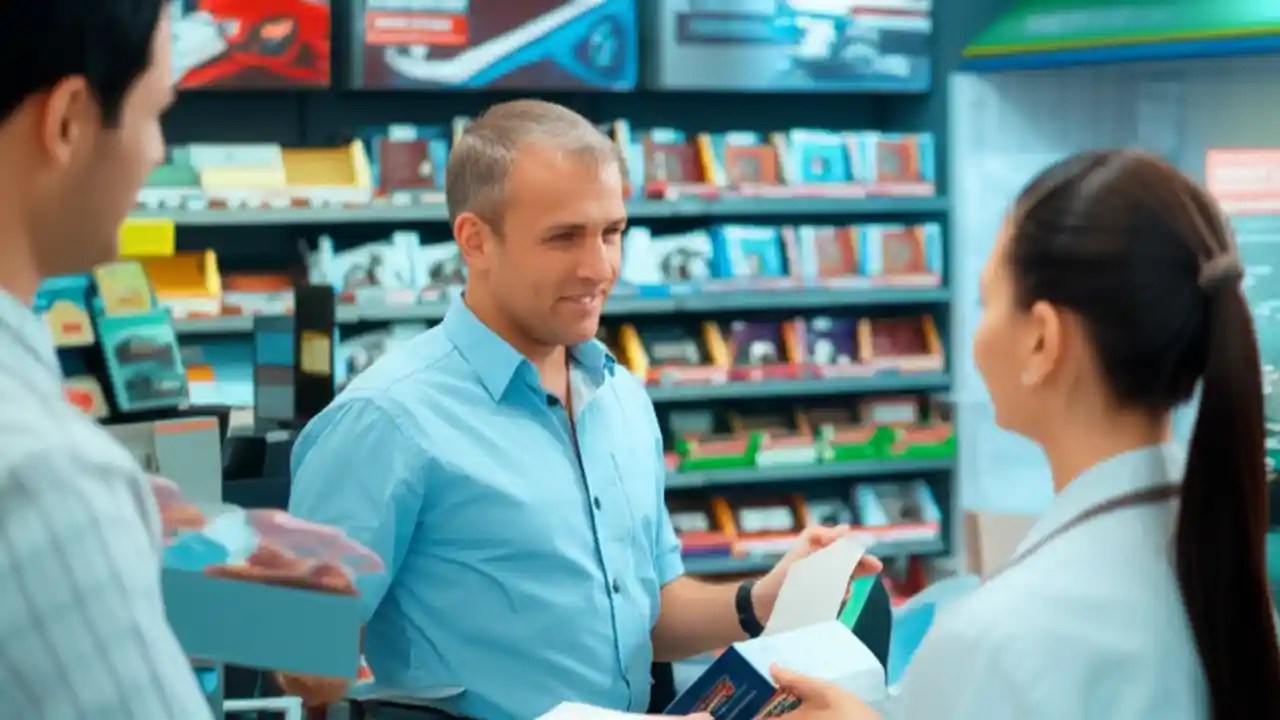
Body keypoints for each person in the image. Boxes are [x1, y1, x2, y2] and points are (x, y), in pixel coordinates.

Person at [286, 99, 878, 719]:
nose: (599, 267)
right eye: (564, 237)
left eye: (612, 232)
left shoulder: (620, 397)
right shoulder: (385, 419)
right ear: (475, 240)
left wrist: (759, 600)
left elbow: (645, 614)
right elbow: (302, 662)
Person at [770, 150, 1280, 719]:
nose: (977, 337)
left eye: (988, 301)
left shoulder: (1000, 639)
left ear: (1042, 340)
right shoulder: (1217, 566)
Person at [0, 4, 351, 718]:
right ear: (68, 120)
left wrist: (220, 608)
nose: (158, 149)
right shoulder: (46, 478)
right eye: (156, 111)